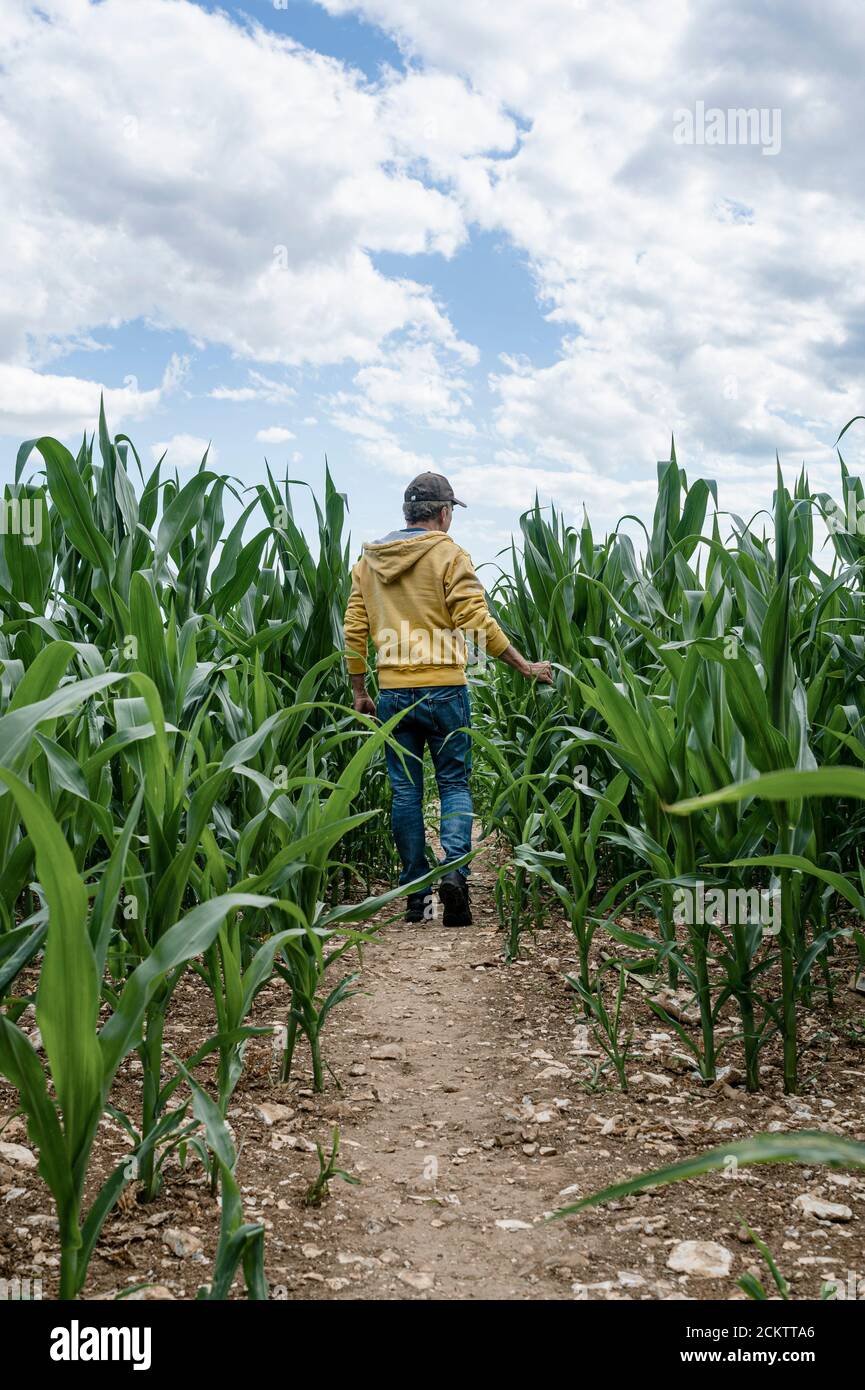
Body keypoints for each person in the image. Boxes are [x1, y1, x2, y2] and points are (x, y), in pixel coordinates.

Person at [342, 471, 553, 927]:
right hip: (445, 689)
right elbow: (477, 622)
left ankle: (416, 895)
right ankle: (455, 874)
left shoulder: (369, 563)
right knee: (454, 784)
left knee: (405, 792)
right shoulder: (448, 554)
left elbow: (355, 629)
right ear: (443, 513)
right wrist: (525, 666)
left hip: (394, 693)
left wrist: (360, 690)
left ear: (407, 512)